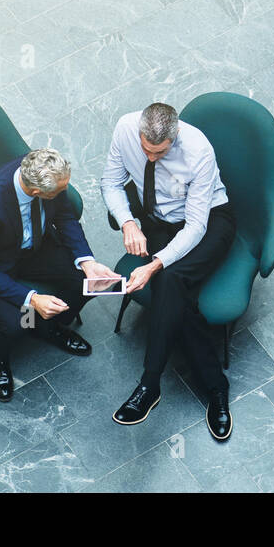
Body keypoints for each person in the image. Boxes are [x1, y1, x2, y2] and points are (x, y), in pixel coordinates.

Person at [101, 102, 235, 440]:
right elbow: (111, 183)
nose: (149, 158)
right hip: (155, 220)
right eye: (145, 149)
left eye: (158, 153)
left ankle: (149, 384)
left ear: (173, 140)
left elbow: (196, 226)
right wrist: (128, 222)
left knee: (169, 279)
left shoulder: (198, 151)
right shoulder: (125, 127)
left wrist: (155, 264)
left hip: (207, 222)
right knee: (174, 297)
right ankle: (216, 388)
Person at [0, 147, 117, 401]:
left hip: (33, 247)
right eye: (59, 192)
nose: (64, 193)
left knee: (85, 282)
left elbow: (66, 217)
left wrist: (87, 261)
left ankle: (50, 327)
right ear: (37, 192)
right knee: (15, 323)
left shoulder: (49, 176)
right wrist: (33, 298)